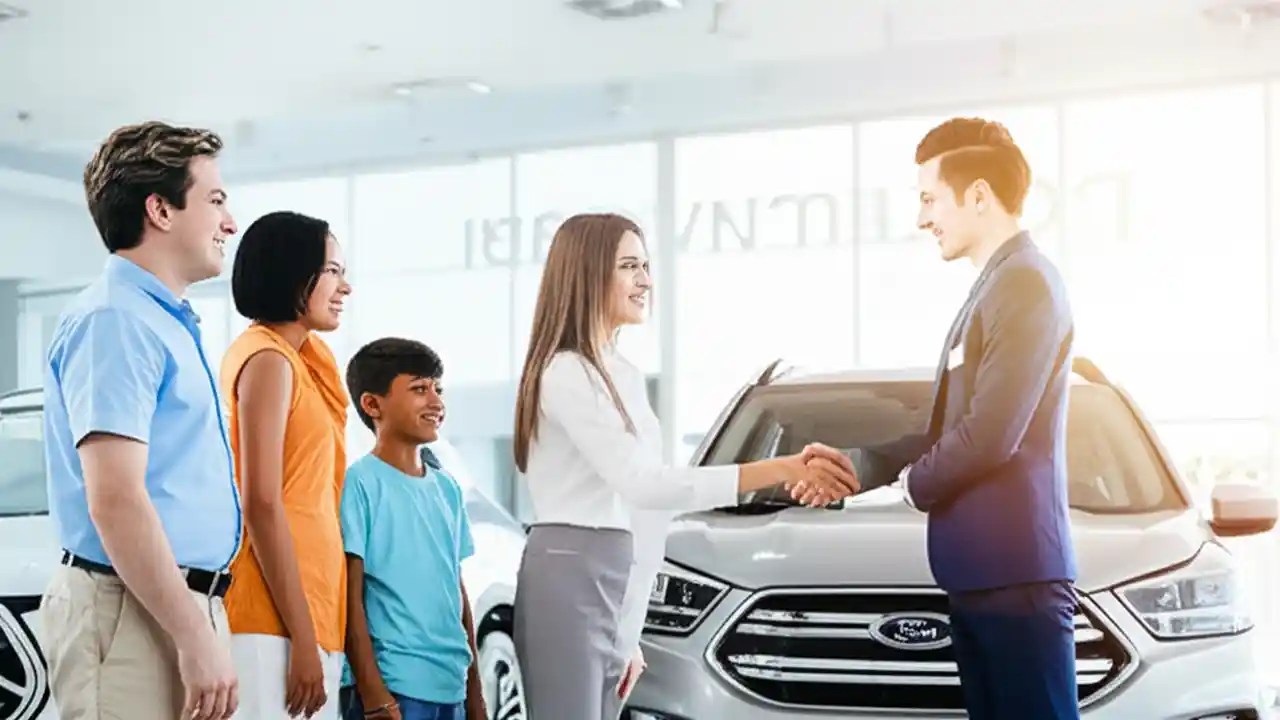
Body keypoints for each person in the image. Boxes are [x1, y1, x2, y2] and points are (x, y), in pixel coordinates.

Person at [510, 212, 859, 720]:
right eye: (630, 266)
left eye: (646, 266)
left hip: (613, 569)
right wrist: (779, 469)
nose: (646, 280)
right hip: (570, 570)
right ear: (587, 274)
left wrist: (629, 633)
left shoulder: (621, 374)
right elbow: (647, 485)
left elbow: (646, 514)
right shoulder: (566, 372)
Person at [802, 118, 1079, 720]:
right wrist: (856, 466)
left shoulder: (1026, 283)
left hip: (1016, 575)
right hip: (982, 576)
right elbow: (947, 432)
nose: (923, 218)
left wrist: (907, 488)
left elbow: (989, 437)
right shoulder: (994, 287)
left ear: (978, 195)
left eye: (929, 199)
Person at [39, 121, 242, 720]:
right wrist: (194, 635)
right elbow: (116, 499)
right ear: (160, 210)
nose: (230, 222)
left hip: (171, 605)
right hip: (129, 609)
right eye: (215, 200)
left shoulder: (160, 320)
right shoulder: (116, 322)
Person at [219, 211, 353, 719]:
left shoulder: (302, 360)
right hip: (270, 619)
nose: (346, 287)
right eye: (334, 271)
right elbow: (261, 502)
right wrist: (301, 636)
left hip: (307, 611)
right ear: (295, 275)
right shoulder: (268, 361)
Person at [339, 338, 487, 720]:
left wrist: (476, 696)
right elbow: (350, 598)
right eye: (420, 389)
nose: (436, 402)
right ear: (372, 404)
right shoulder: (359, 483)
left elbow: (456, 592)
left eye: (438, 389)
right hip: (395, 688)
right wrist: (373, 692)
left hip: (451, 686)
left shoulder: (447, 489)